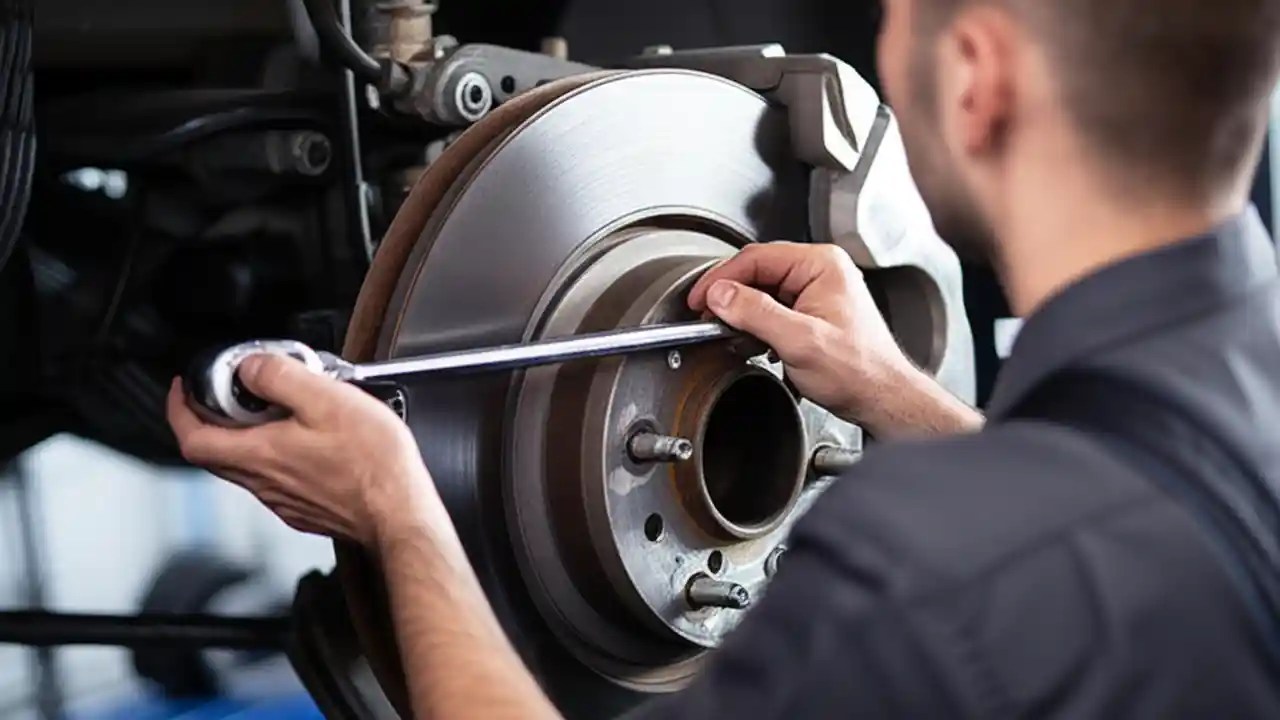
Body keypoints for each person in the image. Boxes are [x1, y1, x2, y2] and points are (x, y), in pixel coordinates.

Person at [167, 0, 1280, 716]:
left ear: (978, 77)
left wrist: (398, 514)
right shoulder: (1244, 375)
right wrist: (896, 395)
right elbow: (1136, 525)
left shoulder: (913, 572)